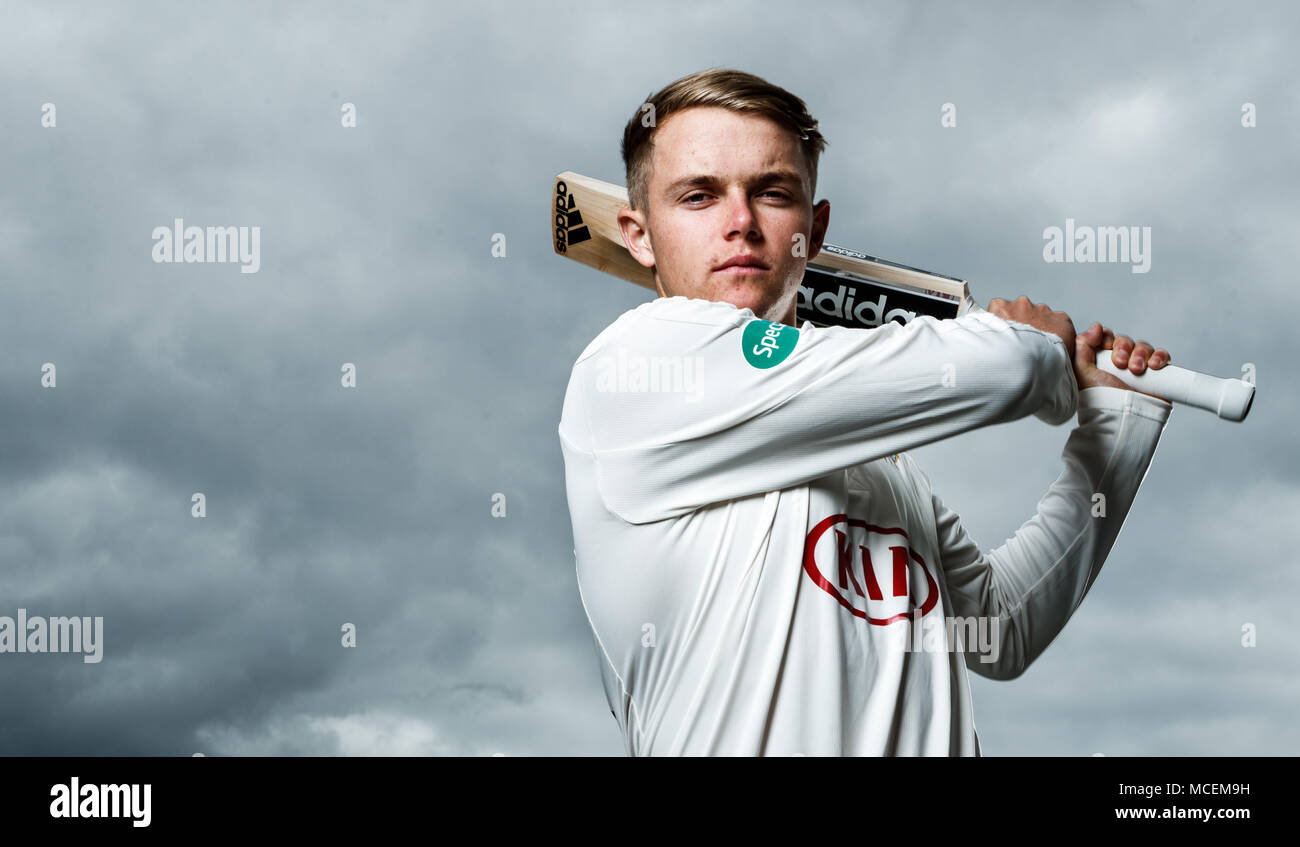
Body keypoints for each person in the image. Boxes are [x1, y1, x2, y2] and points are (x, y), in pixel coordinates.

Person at [557, 68, 1173, 756]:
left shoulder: (876, 464)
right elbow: (1009, 367)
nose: (741, 222)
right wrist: (1035, 348)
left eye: (772, 192)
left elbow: (1001, 629)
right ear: (638, 236)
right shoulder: (636, 367)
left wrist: (1113, 428)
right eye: (699, 195)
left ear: (814, 229)